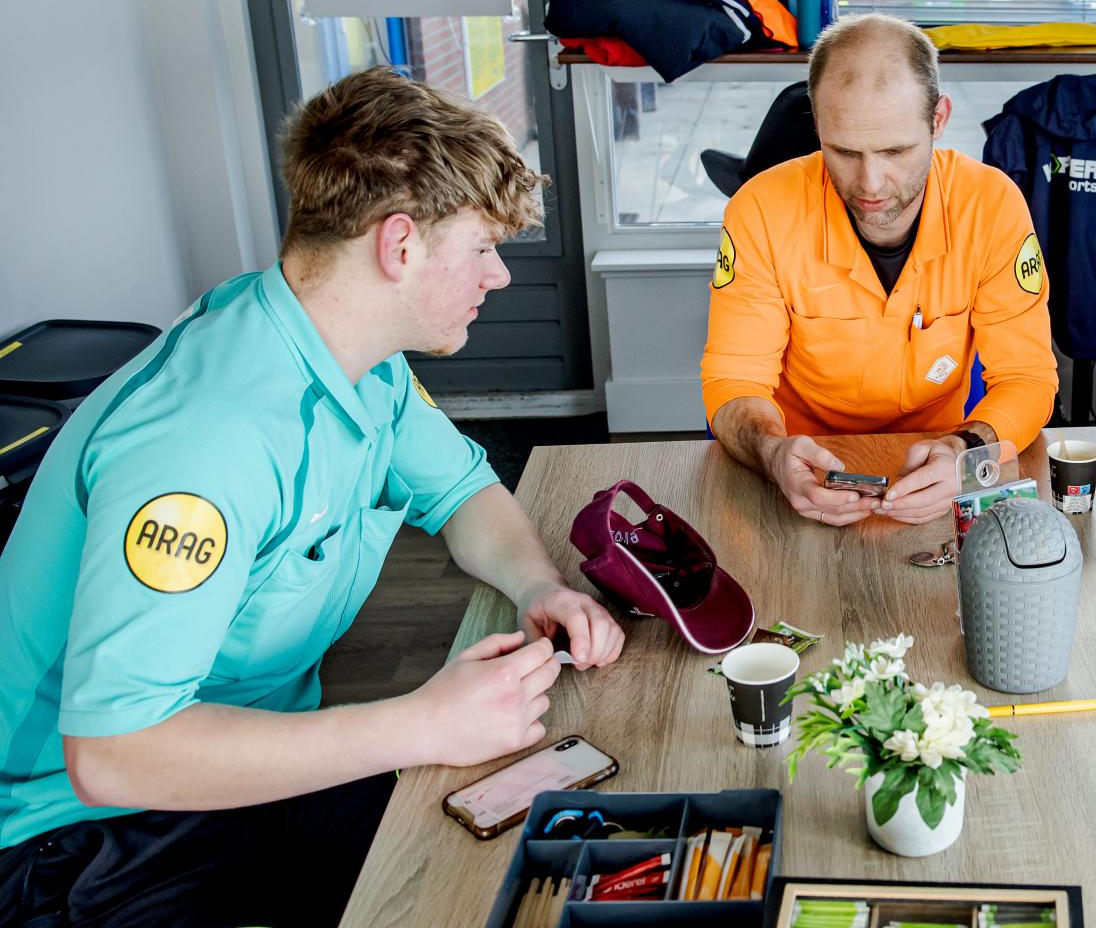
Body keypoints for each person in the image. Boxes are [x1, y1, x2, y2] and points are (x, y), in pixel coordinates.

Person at [0, 68, 627, 926]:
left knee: (536, 857)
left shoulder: (357, 364)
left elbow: (463, 492)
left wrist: (537, 586)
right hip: (85, 836)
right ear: (399, 246)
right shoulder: (205, 440)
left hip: (262, 767)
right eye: (483, 248)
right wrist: (418, 725)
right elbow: (113, 756)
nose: (500, 277)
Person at [702, 13, 1057, 528]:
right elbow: (733, 379)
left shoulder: (993, 205)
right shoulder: (758, 210)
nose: (870, 183)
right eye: (844, 151)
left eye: (895, 150)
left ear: (937, 120)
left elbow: (1028, 377)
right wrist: (774, 453)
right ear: (818, 126)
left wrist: (965, 450)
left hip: (941, 464)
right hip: (800, 472)